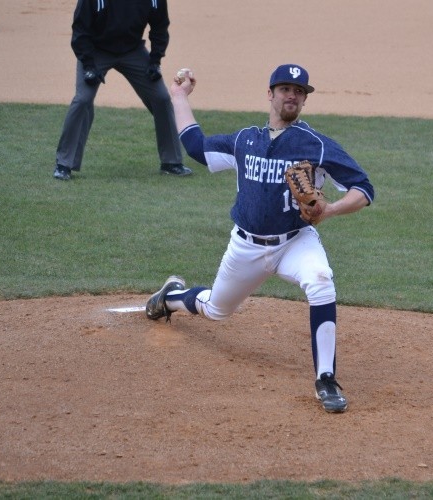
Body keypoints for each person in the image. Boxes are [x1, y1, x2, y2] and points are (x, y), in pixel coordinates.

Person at [145, 64, 375, 413]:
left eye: (299, 91)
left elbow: (364, 189)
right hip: (246, 247)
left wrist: (330, 210)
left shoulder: (316, 146)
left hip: (295, 241)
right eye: (285, 89)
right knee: (216, 310)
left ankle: (326, 379)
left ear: (304, 100)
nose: (292, 96)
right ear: (270, 94)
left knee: (321, 281)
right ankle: (172, 297)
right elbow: (196, 147)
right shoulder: (244, 140)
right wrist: (178, 96)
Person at [53, 0, 190, 180]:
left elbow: (159, 26)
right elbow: (80, 30)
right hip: (95, 51)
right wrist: (88, 65)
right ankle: (64, 164)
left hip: (132, 51)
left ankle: (171, 162)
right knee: (83, 99)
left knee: (161, 98)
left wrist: (155, 61)